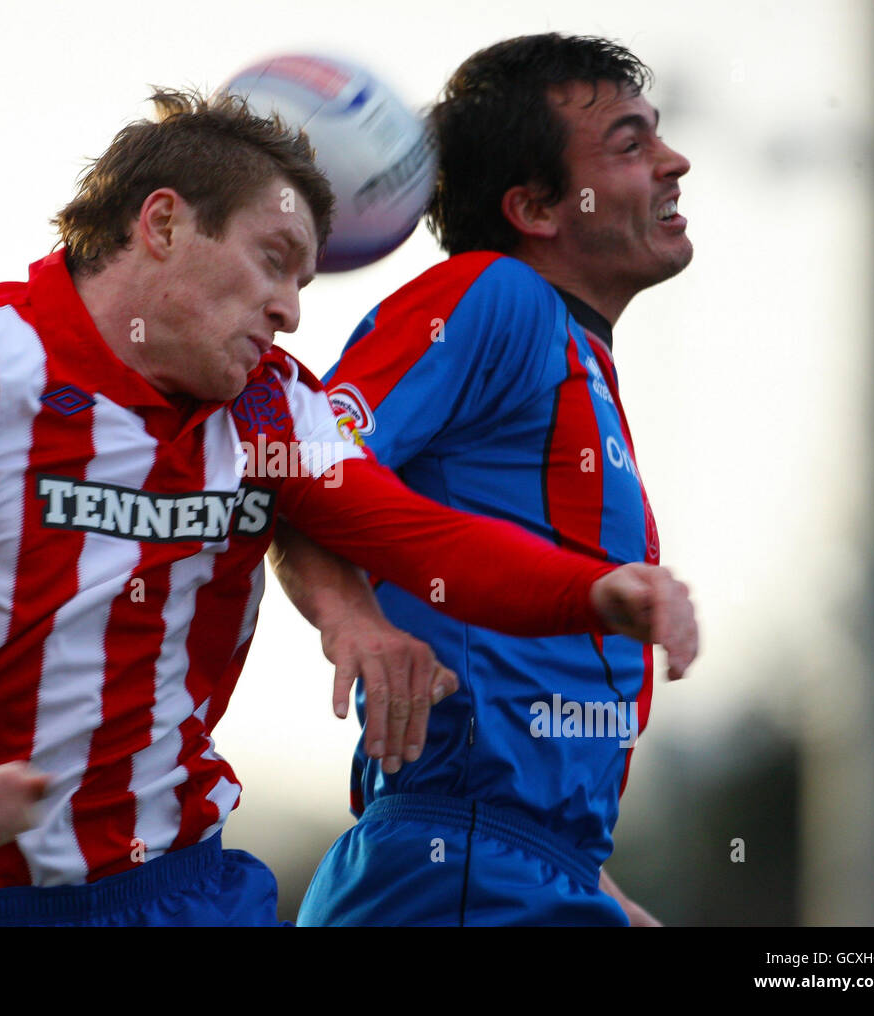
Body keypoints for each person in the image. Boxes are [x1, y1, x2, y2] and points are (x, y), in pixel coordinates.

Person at [0, 86, 695, 927]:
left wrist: (598, 593)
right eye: (275, 262)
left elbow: (415, 537)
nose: (291, 309)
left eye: (304, 281)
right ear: (165, 224)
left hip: (192, 889)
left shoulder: (268, 404)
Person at [283, 34, 697, 926]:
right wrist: (350, 618)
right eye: (630, 145)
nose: (675, 161)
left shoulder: (572, 353)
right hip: (454, 872)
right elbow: (300, 460)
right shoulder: (491, 295)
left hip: (527, 869)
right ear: (536, 207)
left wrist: (605, 898)